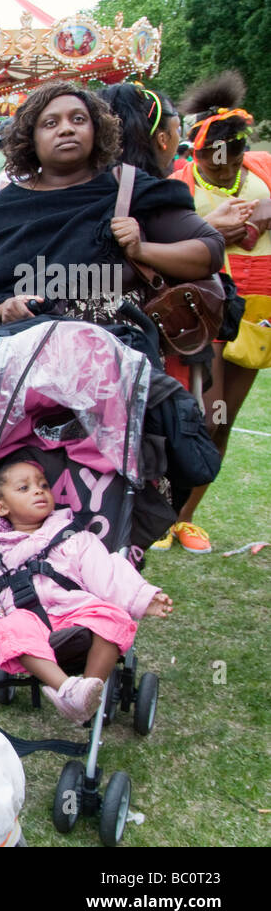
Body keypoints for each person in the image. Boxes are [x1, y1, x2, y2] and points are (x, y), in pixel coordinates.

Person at [0, 81, 225, 360]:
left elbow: (210, 251)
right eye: (50, 123)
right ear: (31, 138)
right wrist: (2, 308)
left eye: (78, 119)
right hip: (29, 375)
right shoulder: (4, 209)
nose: (66, 129)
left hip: (121, 369)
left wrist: (141, 250)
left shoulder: (132, 190)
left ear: (96, 129)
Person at [0, 460, 174, 722]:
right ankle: (68, 689)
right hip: (23, 619)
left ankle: (87, 692)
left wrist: (143, 597)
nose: (38, 491)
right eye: (24, 488)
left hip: (73, 614)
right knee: (8, 627)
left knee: (114, 618)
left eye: (43, 485)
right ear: (1, 508)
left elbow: (108, 573)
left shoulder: (75, 537)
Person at [161, 71, 271, 553]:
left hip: (260, 314)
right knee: (204, 416)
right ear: (197, 153)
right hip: (208, 311)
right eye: (214, 162)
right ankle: (161, 512)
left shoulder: (264, 171)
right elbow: (155, 240)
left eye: (233, 161)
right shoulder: (178, 184)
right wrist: (211, 230)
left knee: (224, 422)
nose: (225, 172)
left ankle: (186, 518)